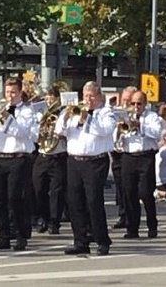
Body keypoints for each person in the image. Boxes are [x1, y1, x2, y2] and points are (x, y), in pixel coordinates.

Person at [0, 76, 38, 251]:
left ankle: (20, 236)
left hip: (18, 158)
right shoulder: (0, 109)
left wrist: (5, 118)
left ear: (20, 93)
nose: (9, 95)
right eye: (7, 92)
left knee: (15, 199)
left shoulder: (26, 111)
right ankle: (3, 236)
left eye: (13, 92)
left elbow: (20, 132)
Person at [57, 81, 115, 256]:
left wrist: (86, 118)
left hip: (95, 162)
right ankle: (80, 240)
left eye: (91, 96)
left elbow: (104, 131)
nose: (87, 99)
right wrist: (66, 116)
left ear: (99, 97)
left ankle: (102, 240)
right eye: (85, 95)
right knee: (75, 202)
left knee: (93, 202)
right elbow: (59, 131)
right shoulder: (74, 112)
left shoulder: (106, 113)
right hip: (74, 161)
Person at [118, 90, 163, 240]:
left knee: (145, 193)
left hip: (146, 157)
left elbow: (156, 134)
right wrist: (119, 132)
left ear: (145, 104)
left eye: (139, 103)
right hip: (128, 156)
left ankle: (152, 224)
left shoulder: (152, 117)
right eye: (133, 103)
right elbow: (117, 139)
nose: (136, 106)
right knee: (129, 193)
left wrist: (140, 126)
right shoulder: (125, 116)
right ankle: (132, 228)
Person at [32, 85, 66, 235]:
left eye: (51, 97)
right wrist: (41, 130)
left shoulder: (64, 113)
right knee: (39, 189)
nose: (48, 100)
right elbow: (32, 136)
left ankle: (55, 222)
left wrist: (59, 132)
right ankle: (44, 218)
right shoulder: (39, 114)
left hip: (58, 156)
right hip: (42, 155)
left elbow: (68, 132)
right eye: (46, 97)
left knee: (57, 192)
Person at [110, 86, 136, 231]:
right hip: (116, 152)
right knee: (119, 186)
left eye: (128, 100)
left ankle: (131, 217)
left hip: (130, 153)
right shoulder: (115, 113)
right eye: (124, 99)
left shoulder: (138, 113)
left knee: (129, 187)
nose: (125, 103)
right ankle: (123, 215)